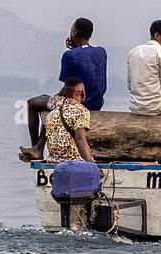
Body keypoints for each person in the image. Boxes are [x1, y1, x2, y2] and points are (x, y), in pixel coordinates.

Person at [20, 18, 107, 160]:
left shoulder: (69, 56)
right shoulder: (101, 52)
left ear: (74, 33)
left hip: (77, 103)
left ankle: (37, 148)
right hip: (96, 103)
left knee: (33, 103)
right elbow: (86, 67)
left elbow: (68, 88)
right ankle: (38, 148)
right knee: (52, 100)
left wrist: (54, 98)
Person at [44, 77, 94, 163]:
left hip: (54, 162)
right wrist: (92, 166)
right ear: (83, 94)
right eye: (80, 93)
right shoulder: (81, 111)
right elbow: (80, 139)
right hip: (75, 162)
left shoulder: (52, 113)